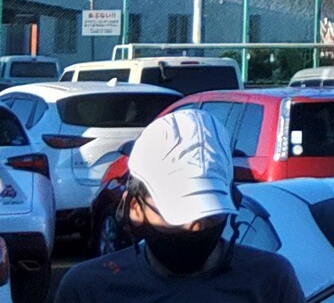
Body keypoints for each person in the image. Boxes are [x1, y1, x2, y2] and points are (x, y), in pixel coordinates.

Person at [56, 109, 304, 302]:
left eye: (210, 214)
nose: (195, 227)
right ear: (135, 208)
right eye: (178, 214)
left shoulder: (271, 281)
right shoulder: (89, 290)